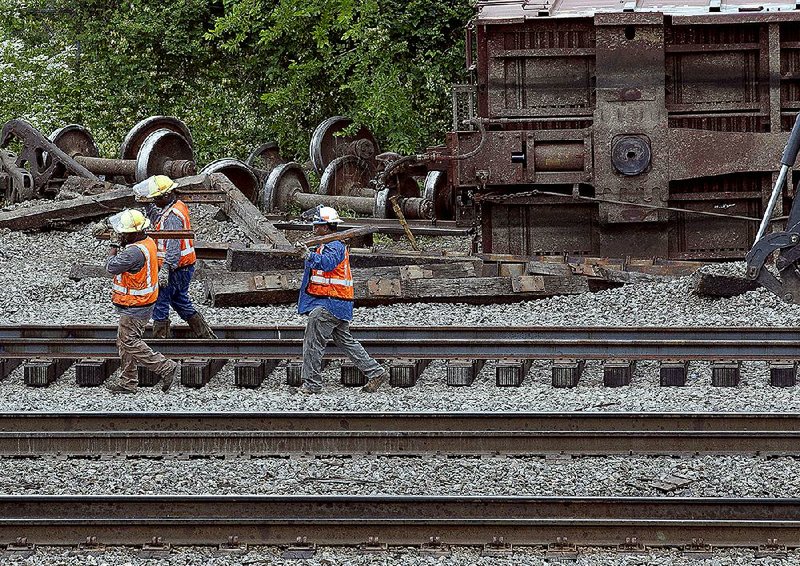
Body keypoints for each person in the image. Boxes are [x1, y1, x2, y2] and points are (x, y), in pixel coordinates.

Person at [295, 205, 389, 394]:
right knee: (346, 341)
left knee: (312, 342)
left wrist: (308, 255)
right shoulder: (326, 245)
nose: (314, 228)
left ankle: (312, 384)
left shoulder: (334, 246)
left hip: (328, 304)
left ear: (326, 227)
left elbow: (327, 265)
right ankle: (376, 372)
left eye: (317, 225)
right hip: (337, 304)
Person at [104, 209, 180, 394]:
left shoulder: (133, 253)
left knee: (129, 341)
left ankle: (165, 367)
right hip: (141, 302)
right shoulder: (147, 243)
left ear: (136, 233)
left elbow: (110, 267)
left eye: (125, 233)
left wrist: (113, 246)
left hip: (135, 305)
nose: (122, 235)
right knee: (124, 342)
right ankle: (128, 382)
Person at [136, 175, 216, 339]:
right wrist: (148, 207)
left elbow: (173, 246)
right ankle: (206, 336)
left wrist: (165, 269)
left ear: (165, 196)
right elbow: (159, 221)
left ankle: (161, 343)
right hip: (184, 266)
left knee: (160, 301)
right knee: (180, 301)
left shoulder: (172, 217)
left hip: (176, 267)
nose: (154, 202)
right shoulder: (175, 207)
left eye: (155, 199)